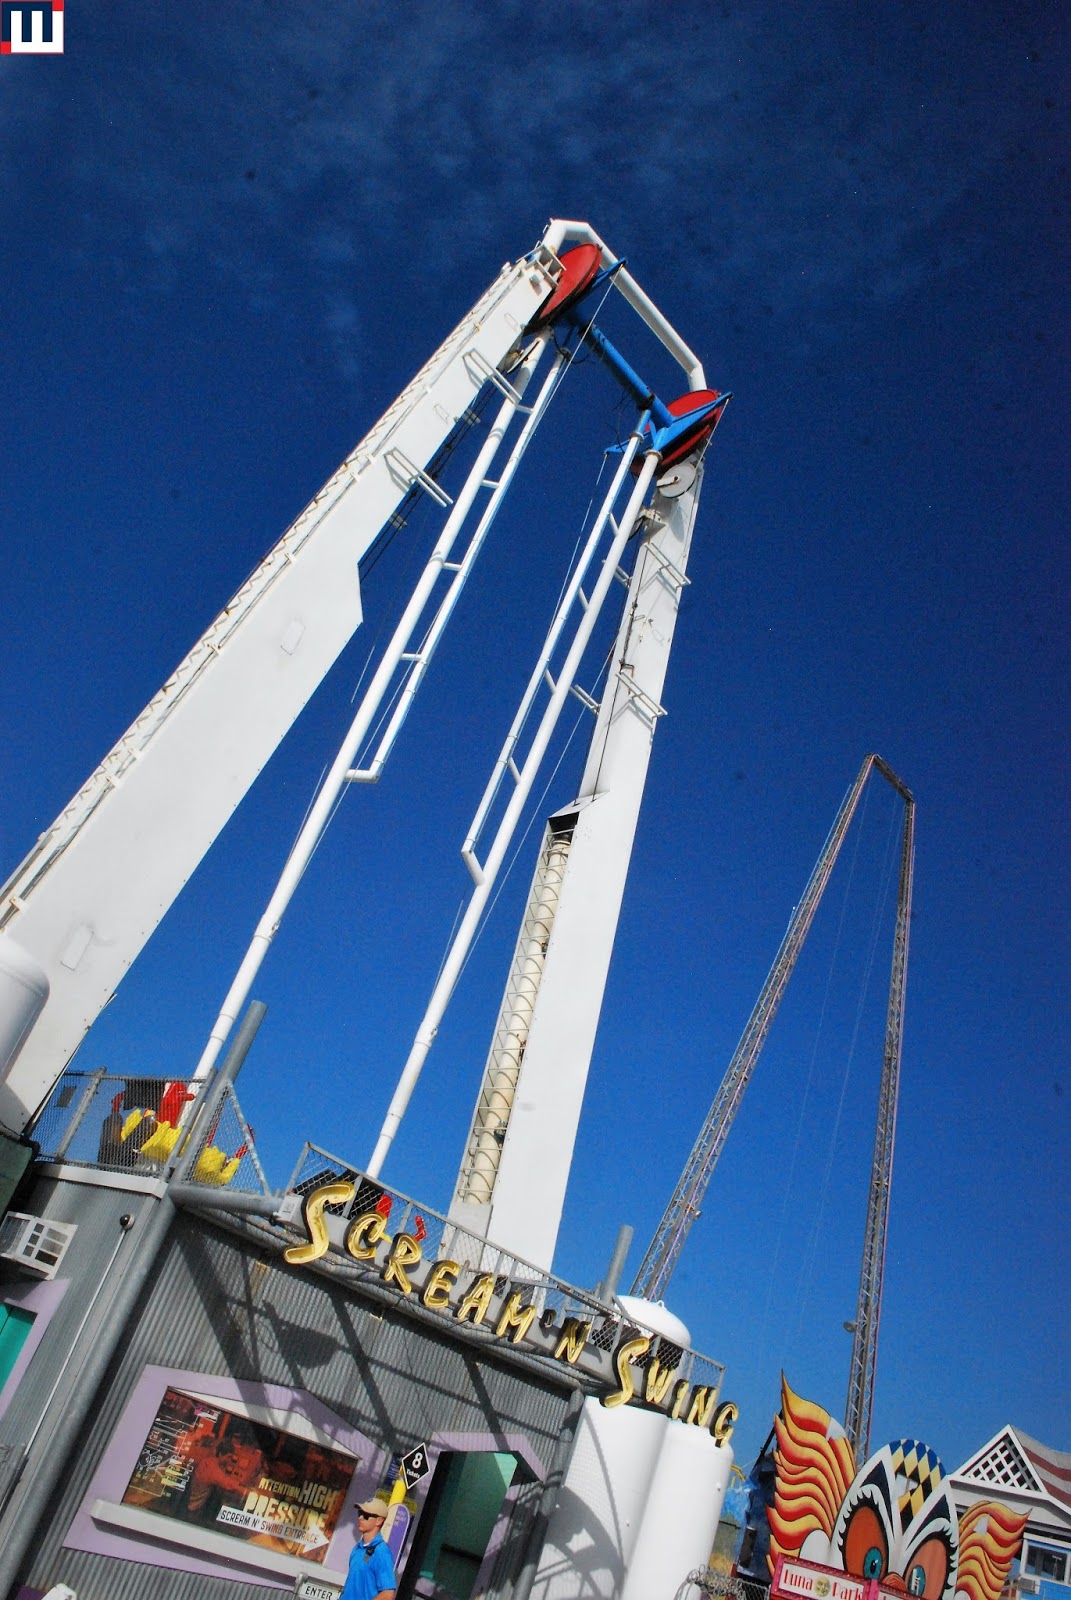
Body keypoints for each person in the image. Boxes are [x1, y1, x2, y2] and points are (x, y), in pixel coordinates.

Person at [339, 1496, 397, 1600]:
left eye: (366, 1515)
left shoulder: (382, 1552)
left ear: (379, 1521)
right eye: (359, 1513)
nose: (360, 1518)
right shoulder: (357, 1549)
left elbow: (388, 1594)